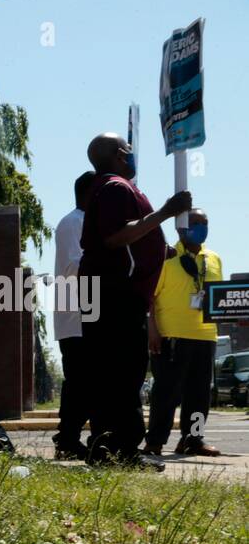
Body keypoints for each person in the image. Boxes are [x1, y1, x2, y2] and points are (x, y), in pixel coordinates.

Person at [77, 133, 191, 469]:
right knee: (124, 373)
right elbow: (116, 237)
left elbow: (124, 238)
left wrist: (156, 250)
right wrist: (167, 212)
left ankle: (105, 448)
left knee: (110, 373)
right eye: (128, 151)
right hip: (116, 293)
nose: (132, 155)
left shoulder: (107, 188)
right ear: (118, 155)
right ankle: (122, 451)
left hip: (108, 291)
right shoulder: (116, 187)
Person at [142, 209, 223, 457]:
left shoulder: (214, 259)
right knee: (166, 392)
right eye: (195, 223)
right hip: (171, 335)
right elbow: (150, 297)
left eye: (205, 223)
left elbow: (218, 297)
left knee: (199, 394)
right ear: (180, 227)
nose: (201, 228)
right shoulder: (166, 257)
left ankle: (193, 439)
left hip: (205, 335)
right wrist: (152, 330)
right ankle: (155, 442)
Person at [51, 171, 96, 460]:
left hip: (90, 315)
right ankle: (67, 440)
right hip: (76, 318)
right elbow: (72, 267)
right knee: (79, 383)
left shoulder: (89, 223)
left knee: (88, 383)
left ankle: (71, 438)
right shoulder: (72, 223)